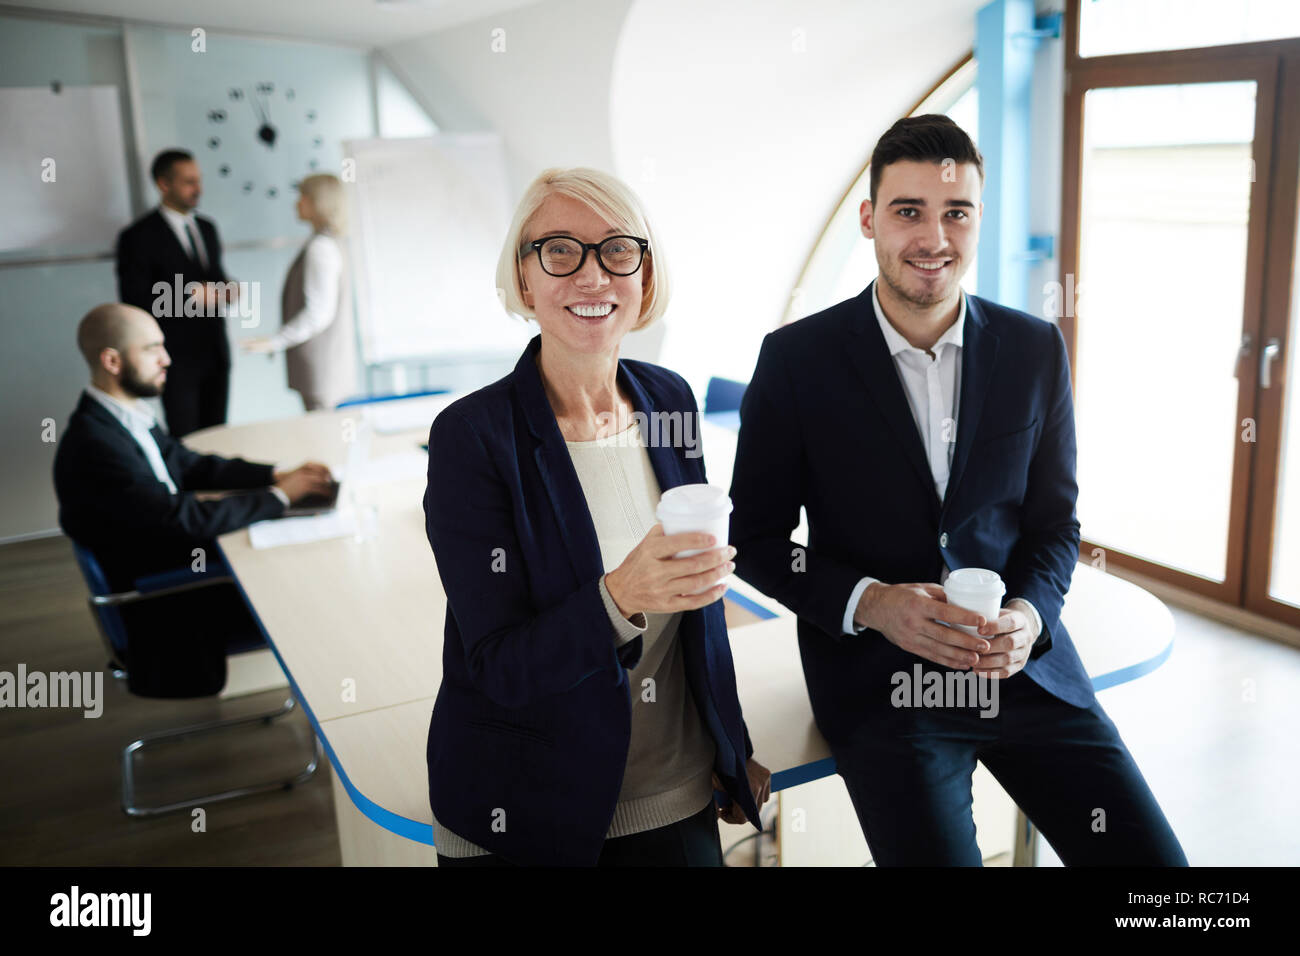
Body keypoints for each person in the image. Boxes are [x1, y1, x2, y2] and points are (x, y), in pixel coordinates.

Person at [728, 115, 1186, 866]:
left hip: (1026, 675)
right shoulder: (794, 361)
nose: (934, 237)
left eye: (956, 212)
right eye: (909, 211)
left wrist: (1031, 616)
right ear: (870, 218)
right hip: (884, 688)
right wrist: (872, 603)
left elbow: (1055, 526)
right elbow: (756, 542)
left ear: (978, 218)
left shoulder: (1035, 350)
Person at [423, 167, 771, 867]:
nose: (591, 276)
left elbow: (696, 613)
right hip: (527, 807)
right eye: (559, 250)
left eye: (616, 250)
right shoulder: (473, 434)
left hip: (673, 789)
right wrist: (618, 598)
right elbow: (498, 667)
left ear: (645, 276)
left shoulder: (668, 399)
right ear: (525, 282)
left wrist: (729, 748)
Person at [53, 303, 335, 696]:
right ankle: (326, 700)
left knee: (292, 546)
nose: (166, 359)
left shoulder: (121, 415)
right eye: (152, 349)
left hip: (168, 562)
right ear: (112, 361)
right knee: (309, 579)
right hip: (167, 601)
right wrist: (278, 498)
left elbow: (188, 465)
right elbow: (181, 518)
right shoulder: (96, 445)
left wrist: (273, 475)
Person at [116, 149, 237, 438]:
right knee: (187, 440)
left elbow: (214, 279)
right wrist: (191, 297)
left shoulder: (207, 228)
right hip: (175, 358)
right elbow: (135, 301)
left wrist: (228, 289)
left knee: (219, 436)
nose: (198, 189)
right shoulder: (137, 237)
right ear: (163, 184)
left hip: (215, 351)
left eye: (199, 180)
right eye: (188, 181)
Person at [242, 173, 357, 411]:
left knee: (324, 434)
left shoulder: (321, 247)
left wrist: (275, 341)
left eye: (302, 197)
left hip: (322, 368)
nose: (296, 203)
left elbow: (319, 313)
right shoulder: (334, 242)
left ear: (318, 201)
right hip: (331, 366)